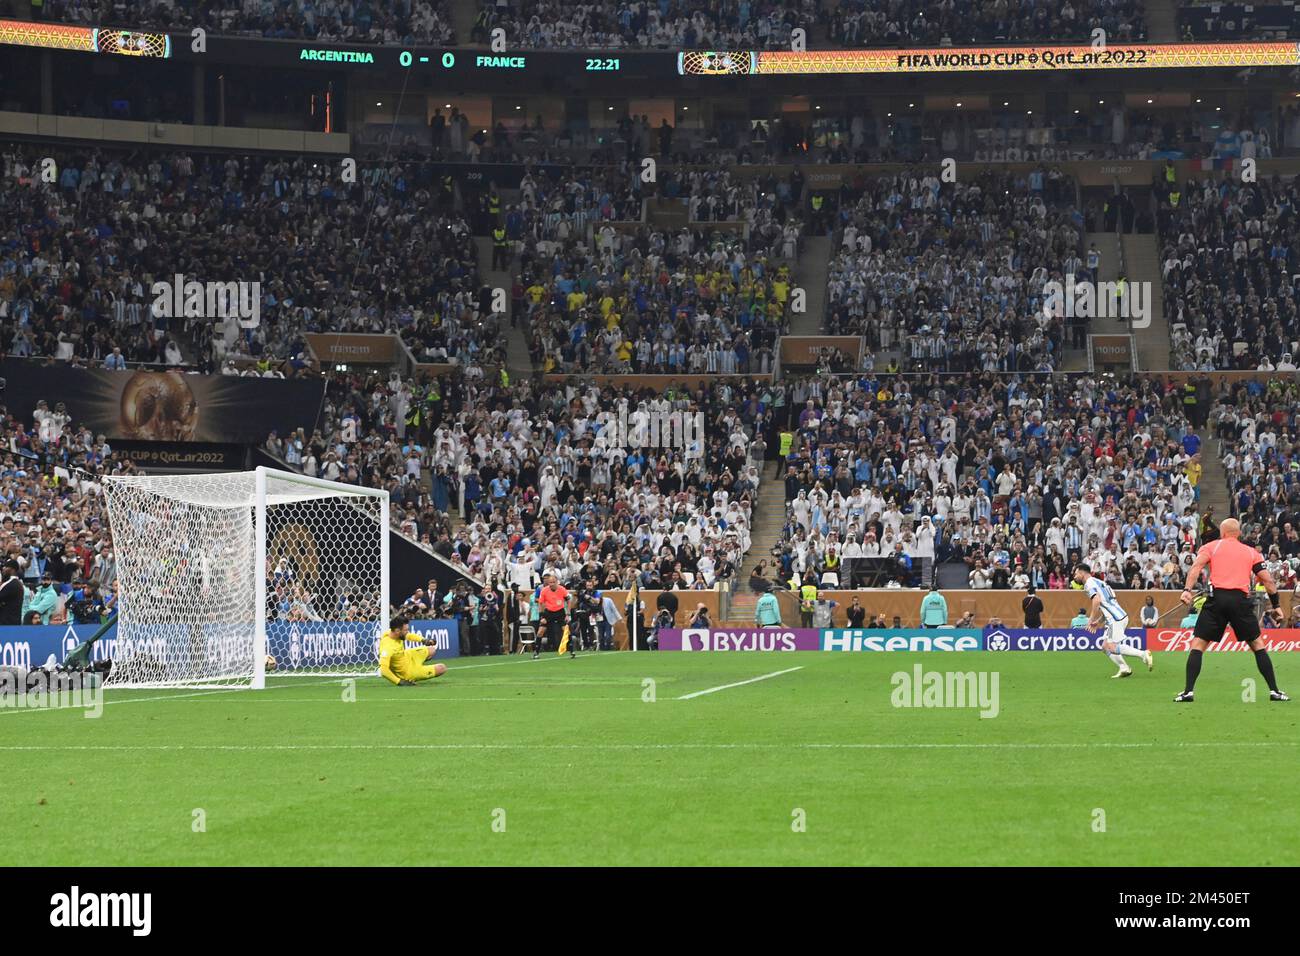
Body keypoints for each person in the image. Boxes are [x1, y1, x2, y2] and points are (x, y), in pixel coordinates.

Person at [1176, 519, 1289, 702]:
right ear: (1238, 533)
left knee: (1198, 645)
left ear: (1222, 533)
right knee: (1257, 645)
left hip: (1216, 600)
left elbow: (1196, 567)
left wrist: (1187, 590)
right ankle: (1274, 691)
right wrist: (1277, 606)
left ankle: (1188, 692)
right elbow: (1268, 580)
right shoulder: (1251, 552)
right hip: (1240, 601)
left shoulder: (1211, 547)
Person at [1075, 563, 1152, 679]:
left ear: (1082, 573)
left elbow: (1096, 601)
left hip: (1114, 619)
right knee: (1105, 646)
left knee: (1111, 646)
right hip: (1118, 616)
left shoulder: (1089, 584)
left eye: (1076, 574)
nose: (1074, 577)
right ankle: (1124, 668)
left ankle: (1143, 654)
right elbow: (1108, 604)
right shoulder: (1102, 583)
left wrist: (1090, 619)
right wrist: (1099, 621)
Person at [378, 616, 447, 686]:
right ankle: (417, 671)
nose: (407, 632)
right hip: (407, 671)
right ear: (397, 631)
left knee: (432, 650)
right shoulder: (387, 647)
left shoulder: (392, 632)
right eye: (405, 630)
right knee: (442, 668)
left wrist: (423, 640)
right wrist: (399, 681)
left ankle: (420, 665)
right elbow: (383, 670)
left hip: (407, 656)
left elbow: (409, 635)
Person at [535, 574, 571, 659]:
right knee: (540, 631)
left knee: (566, 630)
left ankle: (571, 651)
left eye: (553, 582)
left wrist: (568, 614)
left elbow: (568, 600)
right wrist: (542, 617)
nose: (551, 584)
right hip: (549, 612)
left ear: (557, 582)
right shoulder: (544, 590)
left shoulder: (562, 589)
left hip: (560, 612)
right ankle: (536, 652)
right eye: (550, 582)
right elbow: (540, 603)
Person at [0, 561, 24, 626]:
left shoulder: (12, 584)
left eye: (6, 567)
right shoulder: (15, 583)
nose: (3, 569)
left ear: (12, 570)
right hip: (11, 621)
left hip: (8, 622)